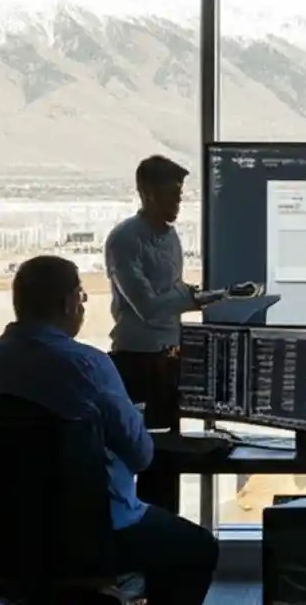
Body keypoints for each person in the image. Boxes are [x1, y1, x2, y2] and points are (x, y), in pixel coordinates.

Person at [0, 255, 218, 605]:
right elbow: (141, 456)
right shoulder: (87, 365)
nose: (82, 305)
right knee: (197, 548)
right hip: (85, 540)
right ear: (68, 303)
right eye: (81, 297)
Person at [105, 155, 208, 429]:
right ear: (149, 194)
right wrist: (191, 299)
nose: (179, 202)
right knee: (143, 443)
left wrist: (205, 296)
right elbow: (147, 307)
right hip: (138, 361)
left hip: (170, 358)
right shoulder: (125, 239)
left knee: (170, 450)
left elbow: (173, 288)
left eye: (180, 194)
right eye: (173, 194)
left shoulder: (170, 237)